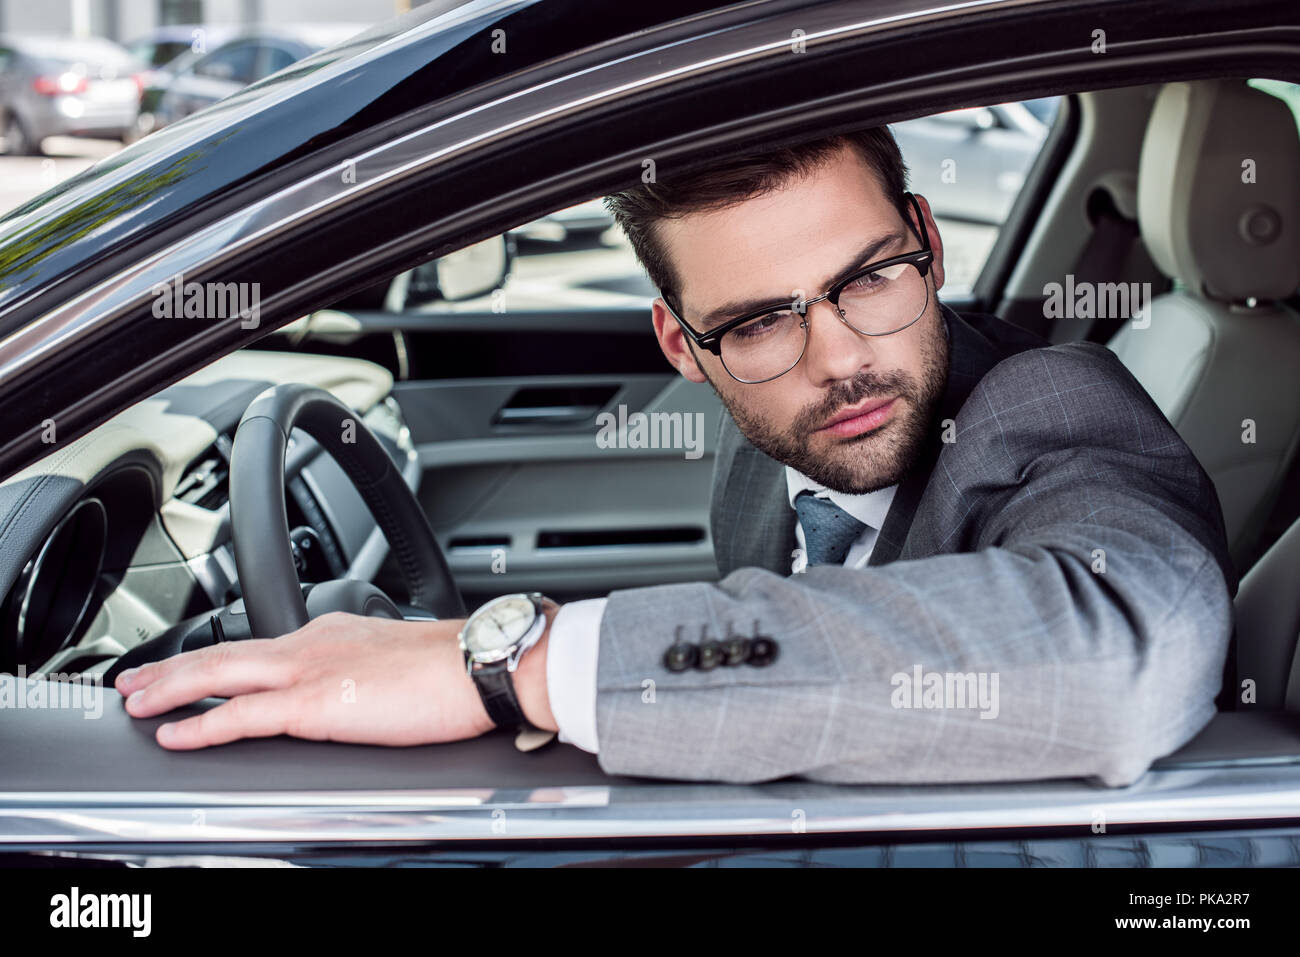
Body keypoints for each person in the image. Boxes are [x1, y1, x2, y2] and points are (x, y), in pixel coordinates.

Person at [114, 127, 1237, 787]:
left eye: (869, 278)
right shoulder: (760, 462)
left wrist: (512, 665)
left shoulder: (1047, 401)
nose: (838, 360)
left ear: (930, 244)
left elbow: (1126, 654)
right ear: (679, 345)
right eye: (755, 324)